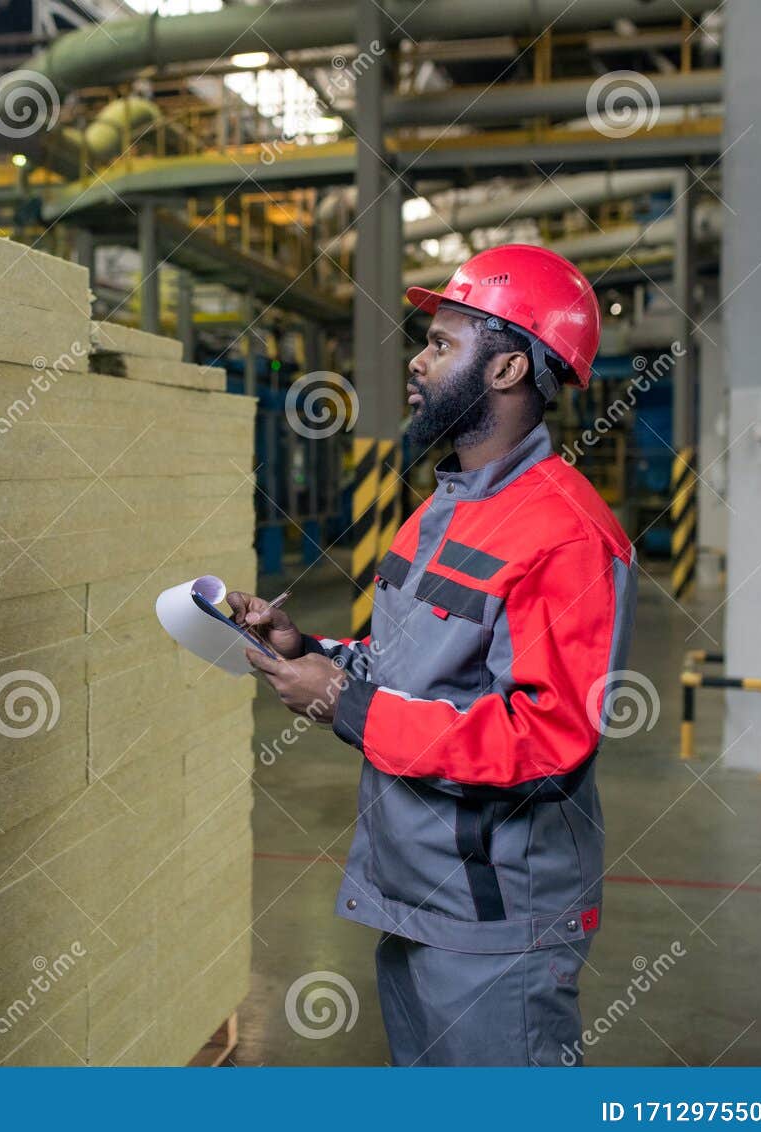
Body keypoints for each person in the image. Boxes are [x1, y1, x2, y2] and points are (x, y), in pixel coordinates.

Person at [231, 244, 637, 1066]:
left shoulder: (567, 534)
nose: (417, 361)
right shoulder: (438, 514)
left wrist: (345, 703)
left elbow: (543, 741)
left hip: (497, 923)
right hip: (416, 898)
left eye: (442, 343)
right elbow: (407, 664)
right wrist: (307, 649)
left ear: (509, 367)